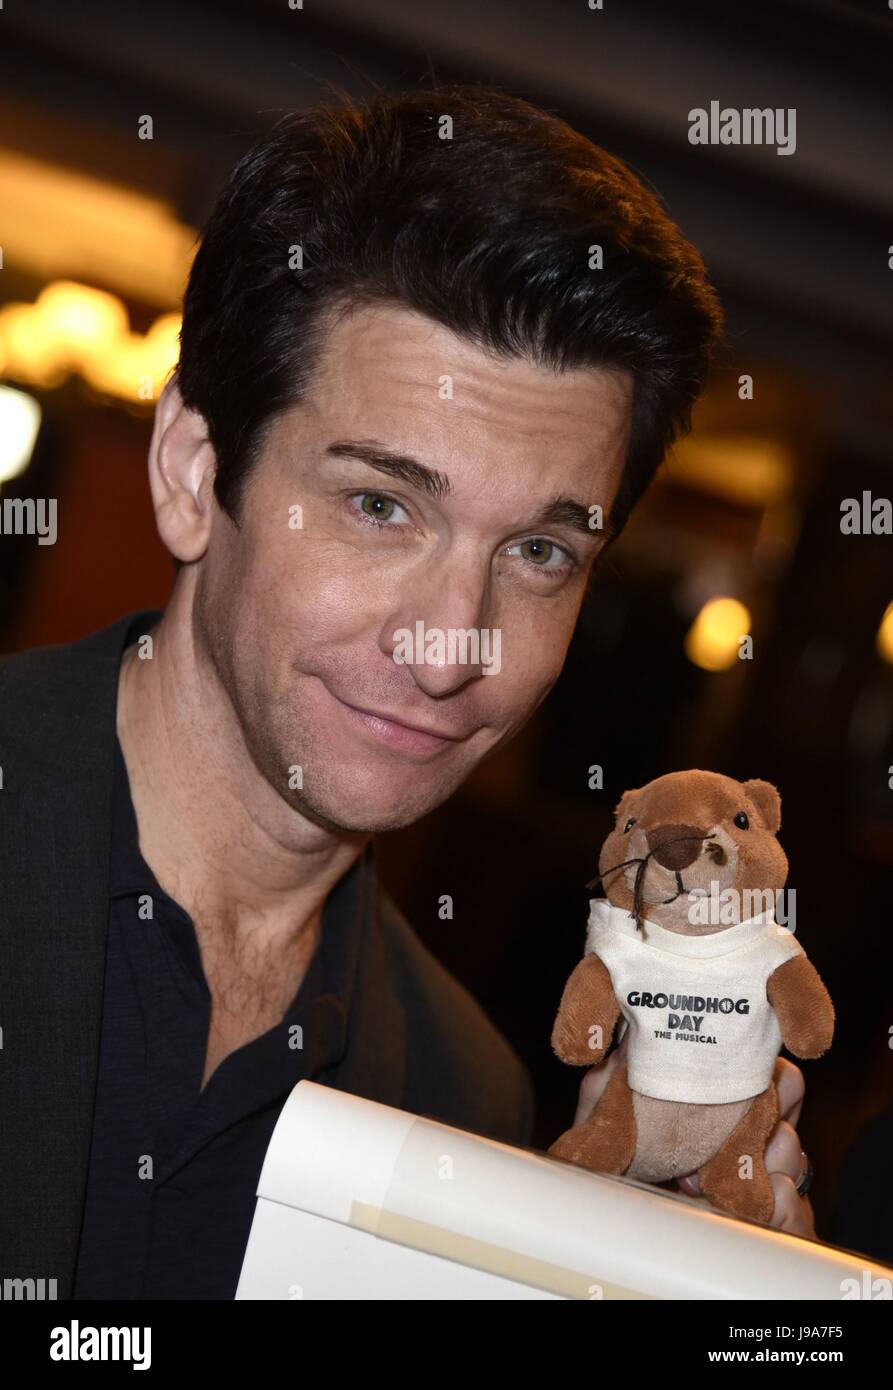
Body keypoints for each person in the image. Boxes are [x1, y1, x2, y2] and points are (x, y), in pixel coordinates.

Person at [0, 81, 814, 1301]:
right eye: (380, 505)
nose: (447, 650)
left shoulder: (463, 1097)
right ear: (189, 471)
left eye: (537, 553)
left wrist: (620, 1272)